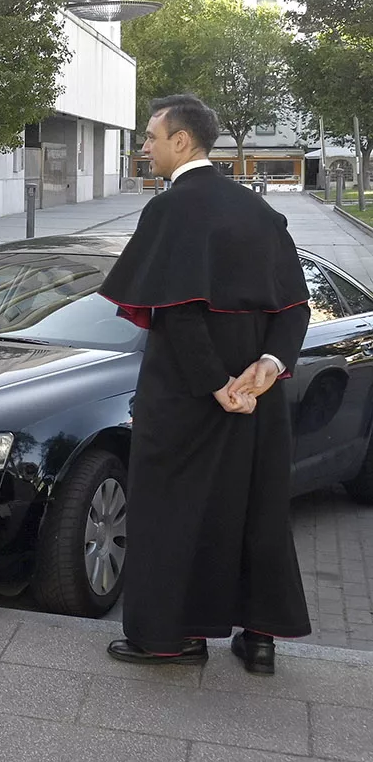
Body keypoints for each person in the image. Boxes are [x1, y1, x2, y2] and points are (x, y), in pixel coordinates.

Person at [100, 94, 310, 674]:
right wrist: (268, 366)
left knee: (171, 511)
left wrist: (217, 384)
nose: (144, 147)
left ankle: (169, 639)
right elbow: (294, 305)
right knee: (257, 510)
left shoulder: (171, 210)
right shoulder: (259, 210)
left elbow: (177, 312)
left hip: (189, 394)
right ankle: (260, 640)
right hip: (258, 395)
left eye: (150, 137)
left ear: (182, 141)